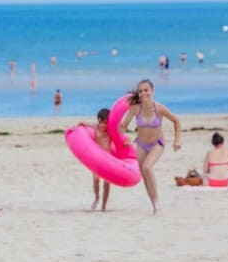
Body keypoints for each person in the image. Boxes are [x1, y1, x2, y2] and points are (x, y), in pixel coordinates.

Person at [118, 79, 182, 213]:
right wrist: (122, 134)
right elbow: (124, 127)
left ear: (152, 91)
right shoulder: (135, 109)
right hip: (141, 144)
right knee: (144, 175)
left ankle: (157, 200)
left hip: (157, 144)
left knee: (147, 167)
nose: (143, 93)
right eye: (140, 91)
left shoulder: (159, 108)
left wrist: (177, 141)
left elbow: (176, 121)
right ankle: (154, 205)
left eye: (146, 90)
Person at [77, 108, 113, 210]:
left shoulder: (111, 131)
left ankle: (104, 205)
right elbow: (83, 124)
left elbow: (121, 137)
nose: (102, 125)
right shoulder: (95, 127)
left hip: (108, 160)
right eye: (100, 122)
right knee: (96, 179)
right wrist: (78, 125)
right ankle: (97, 197)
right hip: (97, 159)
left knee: (107, 183)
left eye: (105, 123)